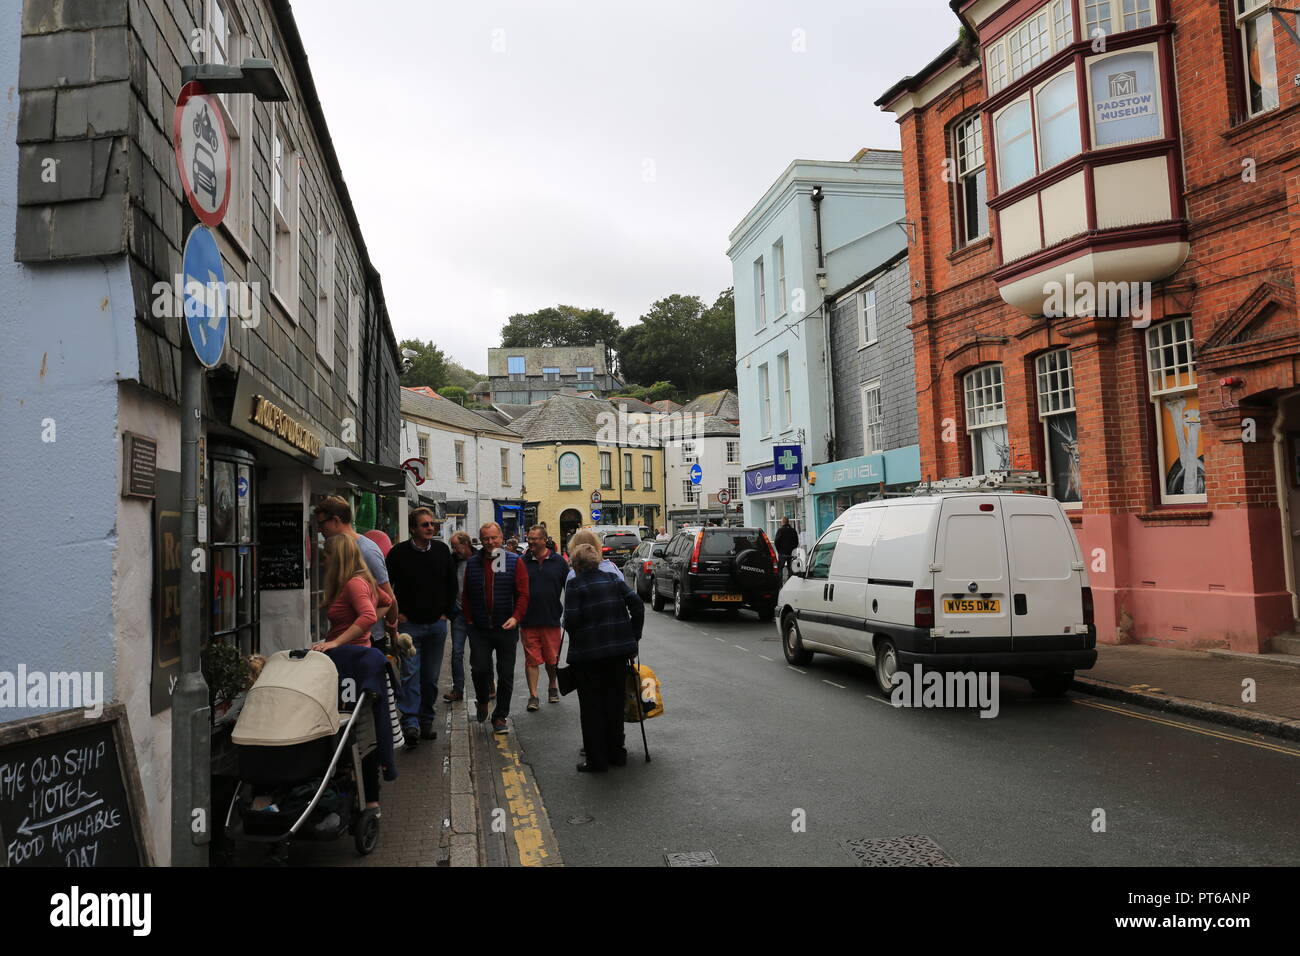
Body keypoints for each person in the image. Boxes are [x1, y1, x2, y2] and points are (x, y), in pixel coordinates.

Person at [313, 533, 389, 809]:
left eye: (327, 554)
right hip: (351, 658)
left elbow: (369, 615)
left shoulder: (355, 583)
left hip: (350, 664)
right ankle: (365, 794)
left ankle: (367, 798)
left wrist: (337, 641)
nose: (324, 559)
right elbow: (385, 602)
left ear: (338, 556)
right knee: (355, 731)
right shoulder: (358, 580)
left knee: (353, 731)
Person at [562, 543, 644, 773]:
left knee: (591, 709)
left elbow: (570, 622)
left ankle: (597, 761)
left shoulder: (575, 585)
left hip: (587, 657)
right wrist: (633, 637)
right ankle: (617, 754)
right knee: (614, 704)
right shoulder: (613, 580)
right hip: (618, 653)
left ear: (576, 566)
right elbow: (637, 605)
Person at [386, 507, 458, 749]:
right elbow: (387, 587)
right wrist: (398, 616)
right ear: (413, 528)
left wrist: (446, 613)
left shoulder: (441, 551)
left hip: (436, 625)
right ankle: (411, 724)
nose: (430, 528)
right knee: (409, 675)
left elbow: (451, 584)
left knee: (431, 678)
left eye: (432, 525)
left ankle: (426, 721)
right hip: (409, 627)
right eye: (425, 525)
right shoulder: (398, 554)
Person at [462, 521, 529, 733]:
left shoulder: (514, 561)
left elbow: (523, 594)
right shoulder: (473, 563)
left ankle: (500, 716)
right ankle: (482, 700)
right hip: (480, 628)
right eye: (486, 539)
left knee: (505, 673)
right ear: (480, 541)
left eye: (494, 538)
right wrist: (470, 621)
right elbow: (466, 596)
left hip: (506, 628)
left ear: (501, 538)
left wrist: (516, 617)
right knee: (480, 668)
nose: (490, 542)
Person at [315, 496, 399, 651]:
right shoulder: (340, 549)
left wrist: (390, 630)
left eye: (321, 523)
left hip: (365, 644)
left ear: (336, 520)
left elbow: (388, 599)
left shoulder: (367, 551)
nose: (319, 529)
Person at [520, 525, 568, 710]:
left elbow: (569, 588)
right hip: (528, 619)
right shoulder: (522, 562)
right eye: (529, 538)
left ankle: (552, 686)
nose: (531, 542)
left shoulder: (559, 562)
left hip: (551, 618)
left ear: (545, 540)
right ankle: (533, 696)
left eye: (535, 539)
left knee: (551, 659)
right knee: (531, 660)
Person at [443, 531, 476, 703]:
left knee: (480, 653)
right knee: (457, 652)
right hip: (459, 613)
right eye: (453, 547)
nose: (455, 550)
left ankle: (488, 685)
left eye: (457, 547)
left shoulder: (479, 559)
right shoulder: (452, 560)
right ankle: (458, 689)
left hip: (477, 614)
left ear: (467, 544)